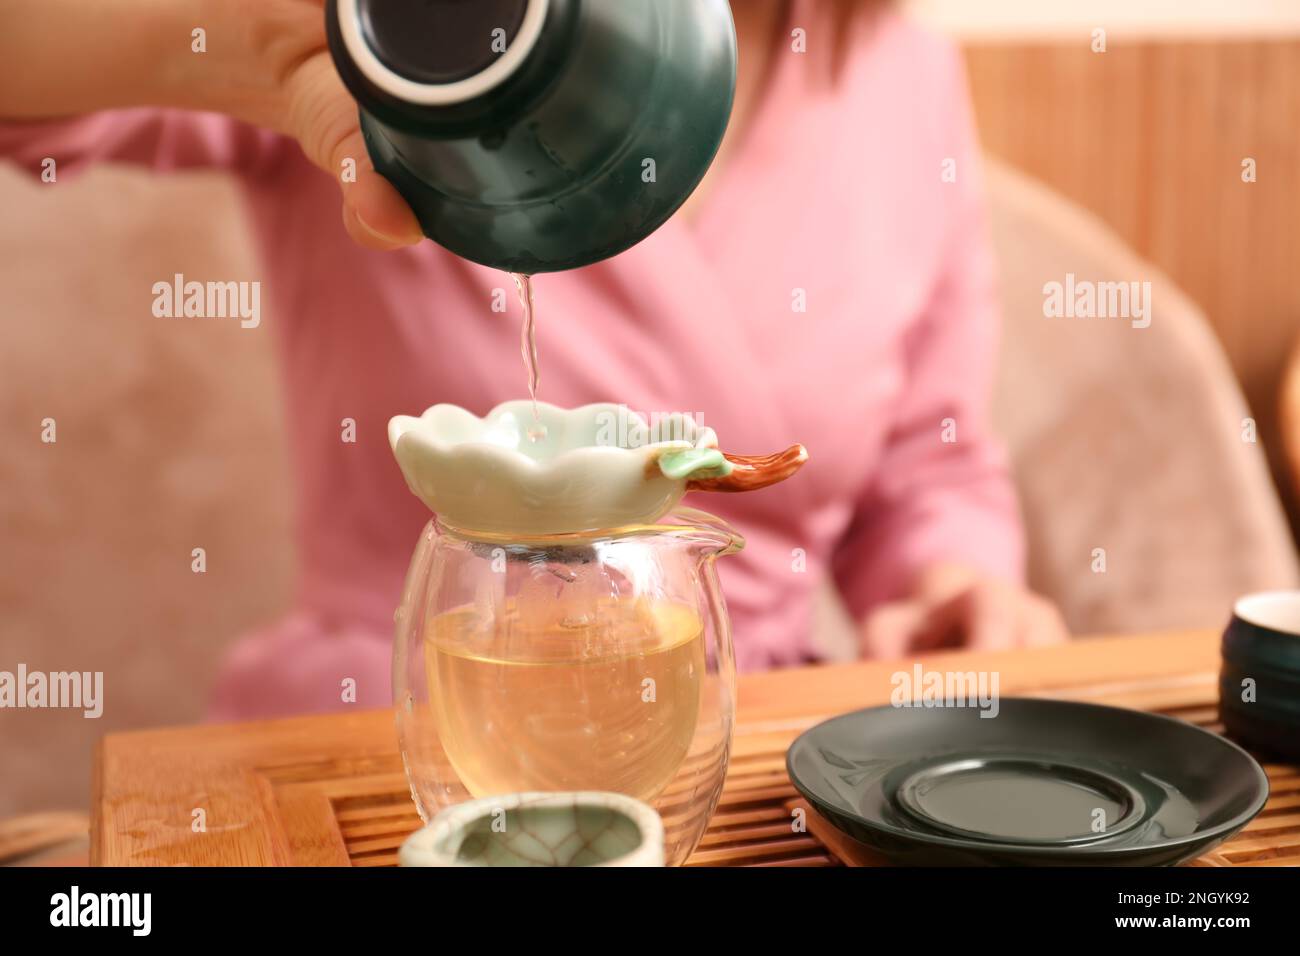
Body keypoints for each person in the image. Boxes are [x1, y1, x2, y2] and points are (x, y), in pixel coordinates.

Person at [0, 0, 1067, 719]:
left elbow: (924, 465)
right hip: (393, 724)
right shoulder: (414, 35)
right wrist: (250, 34)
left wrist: (953, 583)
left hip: (749, 743)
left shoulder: (898, 71)